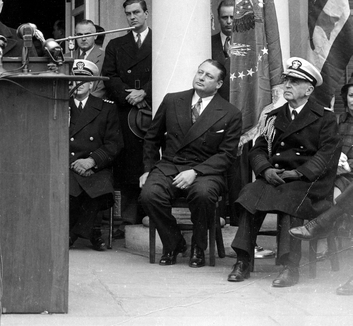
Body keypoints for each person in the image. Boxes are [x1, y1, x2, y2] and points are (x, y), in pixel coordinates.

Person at [227, 57, 340, 287]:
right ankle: (243, 260)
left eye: (295, 82)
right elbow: (257, 149)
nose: (287, 85)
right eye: (287, 80)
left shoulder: (325, 117)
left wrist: (299, 174)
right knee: (250, 194)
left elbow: (328, 155)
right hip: (276, 177)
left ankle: (290, 267)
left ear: (309, 90)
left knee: (291, 198)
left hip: (309, 183)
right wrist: (265, 169)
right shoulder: (273, 116)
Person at [140, 60, 242, 267]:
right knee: (149, 195)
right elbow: (152, 138)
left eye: (209, 76)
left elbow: (226, 154)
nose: (201, 78)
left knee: (203, 195)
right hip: (170, 165)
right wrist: (147, 169)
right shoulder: (172, 100)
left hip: (206, 171)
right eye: (200, 72)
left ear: (219, 84)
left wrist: (195, 171)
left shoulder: (230, 112)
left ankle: (198, 246)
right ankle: (174, 243)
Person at [287, 80, 353, 295]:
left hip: (349, 176)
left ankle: (320, 228)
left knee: (334, 196)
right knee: (310, 190)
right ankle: (313, 237)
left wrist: (348, 166)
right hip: (333, 172)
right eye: (351, 96)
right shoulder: (336, 121)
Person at [102, 0, 152, 234]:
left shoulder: (160, 41)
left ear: (146, 13)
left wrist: (145, 92)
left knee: (148, 158)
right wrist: (128, 94)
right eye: (128, 14)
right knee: (126, 162)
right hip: (125, 110)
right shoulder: (116, 45)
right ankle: (127, 218)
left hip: (151, 108)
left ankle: (149, 211)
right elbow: (109, 76)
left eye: (136, 12)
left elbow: (168, 69)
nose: (132, 17)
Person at [68, 60, 122, 250]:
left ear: (91, 85)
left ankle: (72, 234)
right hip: (68, 165)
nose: (79, 84)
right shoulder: (60, 106)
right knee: (70, 189)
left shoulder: (106, 108)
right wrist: (74, 163)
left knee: (100, 190)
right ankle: (92, 233)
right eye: (75, 80)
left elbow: (114, 143)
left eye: (84, 81)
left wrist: (92, 161)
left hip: (96, 166)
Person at [70, 19, 105, 99]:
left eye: (87, 34)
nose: (83, 38)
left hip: (95, 103)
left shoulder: (105, 56)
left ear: (95, 36)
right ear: (75, 36)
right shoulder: (67, 57)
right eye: (79, 35)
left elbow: (103, 87)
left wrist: (87, 102)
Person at [210, 0, 234, 101]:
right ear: (218, 19)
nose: (228, 21)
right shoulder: (209, 43)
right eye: (224, 17)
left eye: (232, 17)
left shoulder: (248, 44)